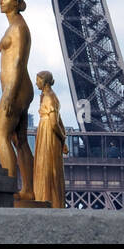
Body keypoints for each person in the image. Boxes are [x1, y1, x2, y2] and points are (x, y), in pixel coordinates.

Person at [0, 0, 35, 198]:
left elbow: (18, 61)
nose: (1, 2)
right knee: (20, 141)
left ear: (17, 3)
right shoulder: (15, 26)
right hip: (18, 87)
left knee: (0, 135)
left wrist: (9, 93)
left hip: (16, 88)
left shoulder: (18, 28)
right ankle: (28, 190)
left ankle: (8, 190)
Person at [33, 70, 68, 207]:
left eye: (38, 80)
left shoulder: (49, 97)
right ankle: (51, 198)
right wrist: (63, 137)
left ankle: (46, 198)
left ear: (44, 81)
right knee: (50, 167)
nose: (36, 83)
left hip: (48, 133)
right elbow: (59, 120)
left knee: (47, 167)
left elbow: (54, 123)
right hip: (47, 131)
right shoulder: (48, 96)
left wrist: (62, 137)